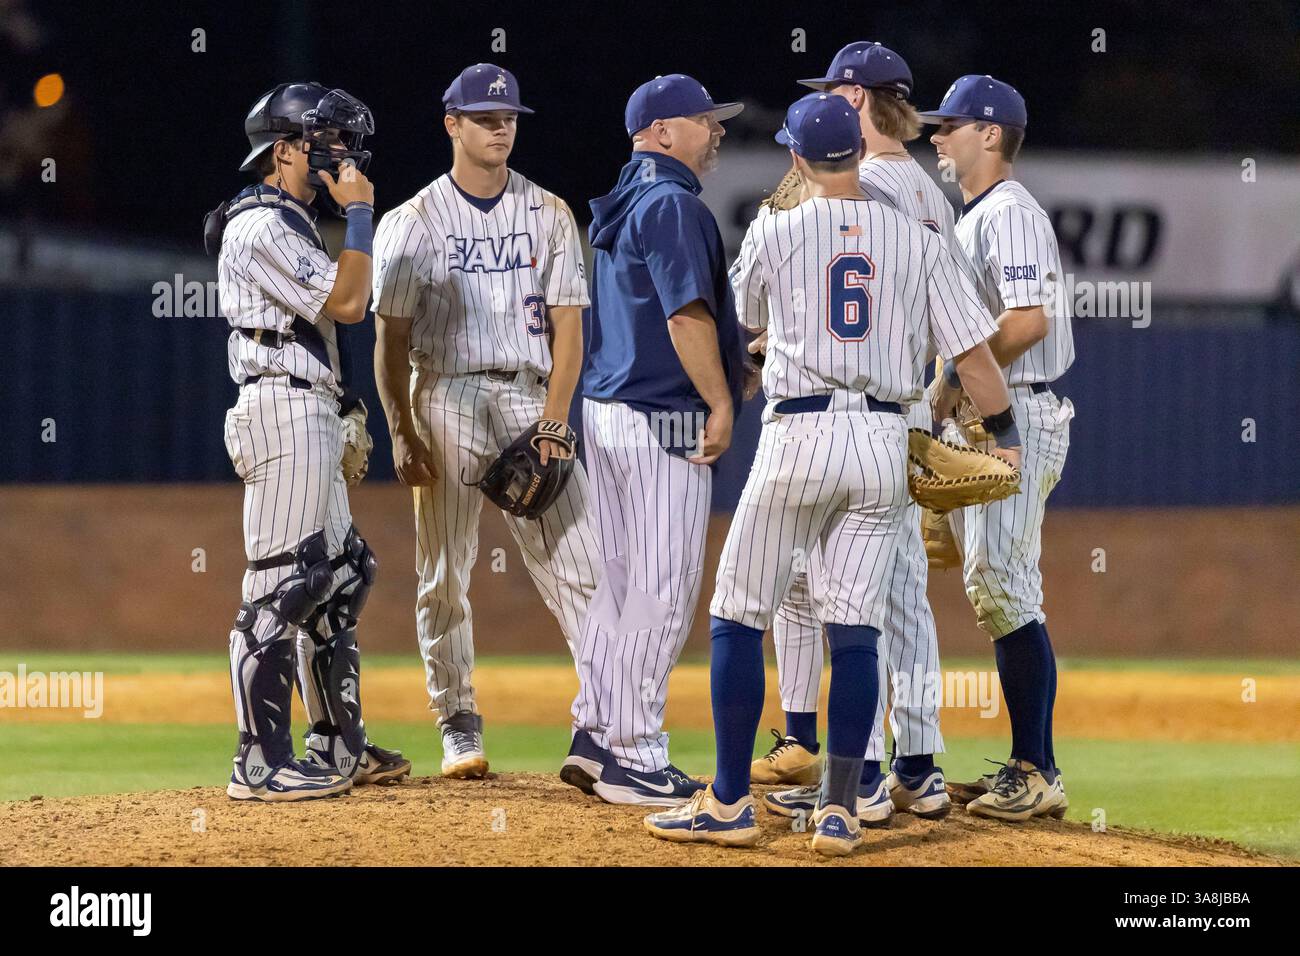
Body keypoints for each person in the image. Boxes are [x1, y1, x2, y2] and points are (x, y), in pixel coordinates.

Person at [645, 93, 1018, 855]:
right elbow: (975, 356)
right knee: (857, 629)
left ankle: (725, 803)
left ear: (795, 157)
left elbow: (748, 321)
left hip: (799, 434)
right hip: (883, 438)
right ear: (860, 152)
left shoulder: (777, 229)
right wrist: (1005, 437)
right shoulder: (918, 239)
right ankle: (845, 810)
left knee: (739, 613)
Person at [753, 40, 973, 824]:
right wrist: (950, 400)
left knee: (851, 594)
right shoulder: (927, 192)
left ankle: (866, 777)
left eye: (832, 93)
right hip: (906, 403)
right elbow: (950, 315)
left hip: (853, 407)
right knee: (903, 596)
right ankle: (920, 765)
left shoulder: (865, 184)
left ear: (851, 99)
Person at [371, 64, 602, 779]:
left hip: (530, 398)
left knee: (585, 565)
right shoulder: (412, 221)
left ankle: (604, 720)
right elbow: (391, 340)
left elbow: (570, 331)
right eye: (485, 118)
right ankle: (457, 719)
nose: (501, 128)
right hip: (444, 394)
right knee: (444, 570)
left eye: (508, 118)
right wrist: (402, 429)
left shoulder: (549, 212)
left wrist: (557, 421)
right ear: (452, 124)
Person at [211, 81, 409, 801]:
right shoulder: (260, 224)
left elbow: (320, 325)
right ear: (284, 150)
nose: (342, 156)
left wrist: (344, 402)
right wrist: (361, 211)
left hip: (309, 405)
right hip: (279, 410)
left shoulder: (290, 220)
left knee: (342, 574)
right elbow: (350, 304)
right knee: (283, 584)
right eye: (326, 142)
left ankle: (337, 747)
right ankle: (257, 765)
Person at [573, 74, 752, 806]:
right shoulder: (675, 203)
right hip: (662, 418)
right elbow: (684, 319)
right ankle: (634, 752)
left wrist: (742, 355)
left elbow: (660, 317)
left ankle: (594, 734)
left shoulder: (626, 197)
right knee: (662, 589)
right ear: (661, 130)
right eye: (706, 121)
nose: (717, 132)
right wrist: (721, 399)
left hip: (609, 410)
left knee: (617, 588)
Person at [920, 74, 1075, 820]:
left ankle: (1037, 768)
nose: (937, 137)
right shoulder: (977, 215)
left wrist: (953, 379)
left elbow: (1028, 321)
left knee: (1005, 586)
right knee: (993, 585)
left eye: (950, 126)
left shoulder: (1009, 212)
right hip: (997, 414)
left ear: (990, 133)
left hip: (1022, 412)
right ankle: (1028, 762)